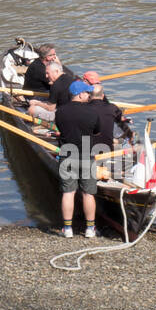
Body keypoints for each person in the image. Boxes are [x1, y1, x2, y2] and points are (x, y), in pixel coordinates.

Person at [54, 80, 101, 238]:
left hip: (67, 154)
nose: (89, 95)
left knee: (68, 192)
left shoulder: (60, 111)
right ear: (80, 94)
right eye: (87, 93)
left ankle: (67, 229)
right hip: (87, 154)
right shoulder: (93, 112)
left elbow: (60, 129)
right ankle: (90, 229)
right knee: (88, 193)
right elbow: (97, 132)